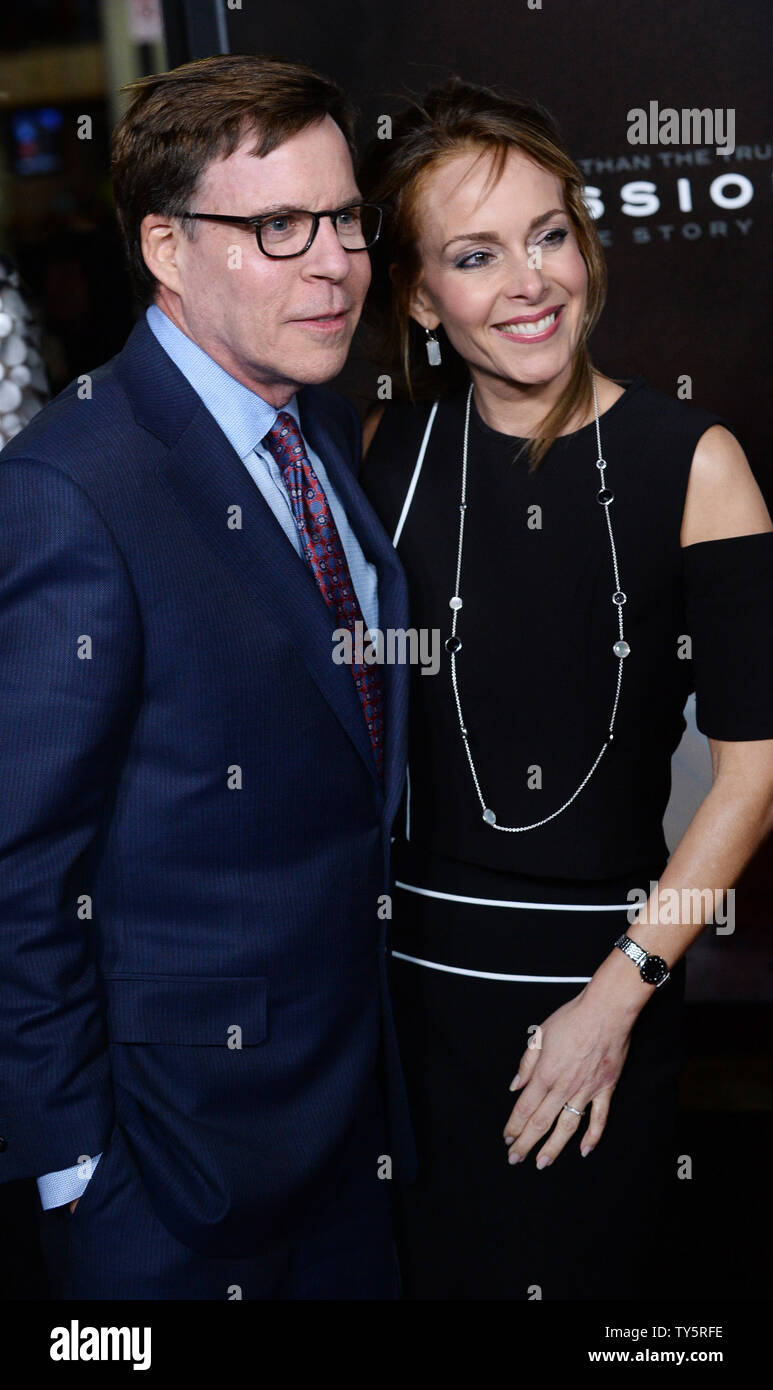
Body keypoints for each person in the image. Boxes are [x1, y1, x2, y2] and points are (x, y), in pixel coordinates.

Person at [0, 53, 416, 1300]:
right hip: (171, 1181)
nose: (334, 260)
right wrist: (80, 1173)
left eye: (343, 217)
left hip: (352, 1126)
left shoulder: (320, 420)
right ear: (168, 250)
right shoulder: (69, 491)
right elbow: (19, 873)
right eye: (278, 225)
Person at [357, 78, 773, 1300]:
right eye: (475, 256)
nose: (527, 282)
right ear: (424, 299)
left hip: (594, 988)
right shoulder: (390, 448)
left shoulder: (694, 465)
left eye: (548, 235)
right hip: (393, 997)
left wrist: (616, 999)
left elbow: (753, 777)